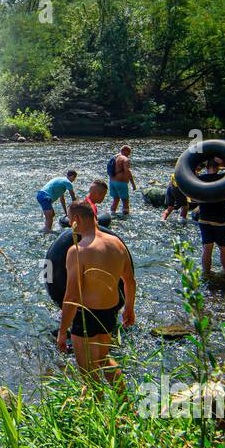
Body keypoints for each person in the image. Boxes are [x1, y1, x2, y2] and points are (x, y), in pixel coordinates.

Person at [57, 202, 136, 383]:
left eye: (70, 219)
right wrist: (129, 309)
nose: (70, 224)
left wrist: (62, 332)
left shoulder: (78, 251)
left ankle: (96, 406)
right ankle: (126, 405)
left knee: (88, 373)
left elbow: (72, 297)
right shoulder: (117, 244)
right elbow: (130, 281)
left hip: (87, 315)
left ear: (76, 219)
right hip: (110, 313)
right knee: (103, 359)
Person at [191, 157, 225, 275]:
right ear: (218, 167)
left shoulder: (199, 180)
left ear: (206, 167)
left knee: (207, 249)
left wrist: (197, 163)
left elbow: (193, 198)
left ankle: (206, 274)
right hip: (220, 220)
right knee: (224, 250)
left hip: (204, 218)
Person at [107, 145, 136, 215]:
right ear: (124, 150)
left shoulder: (114, 157)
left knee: (116, 200)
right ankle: (126, 218)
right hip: (121, 183)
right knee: (125, 201)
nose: (129, 154)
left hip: (112, 182)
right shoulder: (125, 159)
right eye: (129, 152)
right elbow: (127, 171)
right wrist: (133, 184)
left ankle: (112, 214)